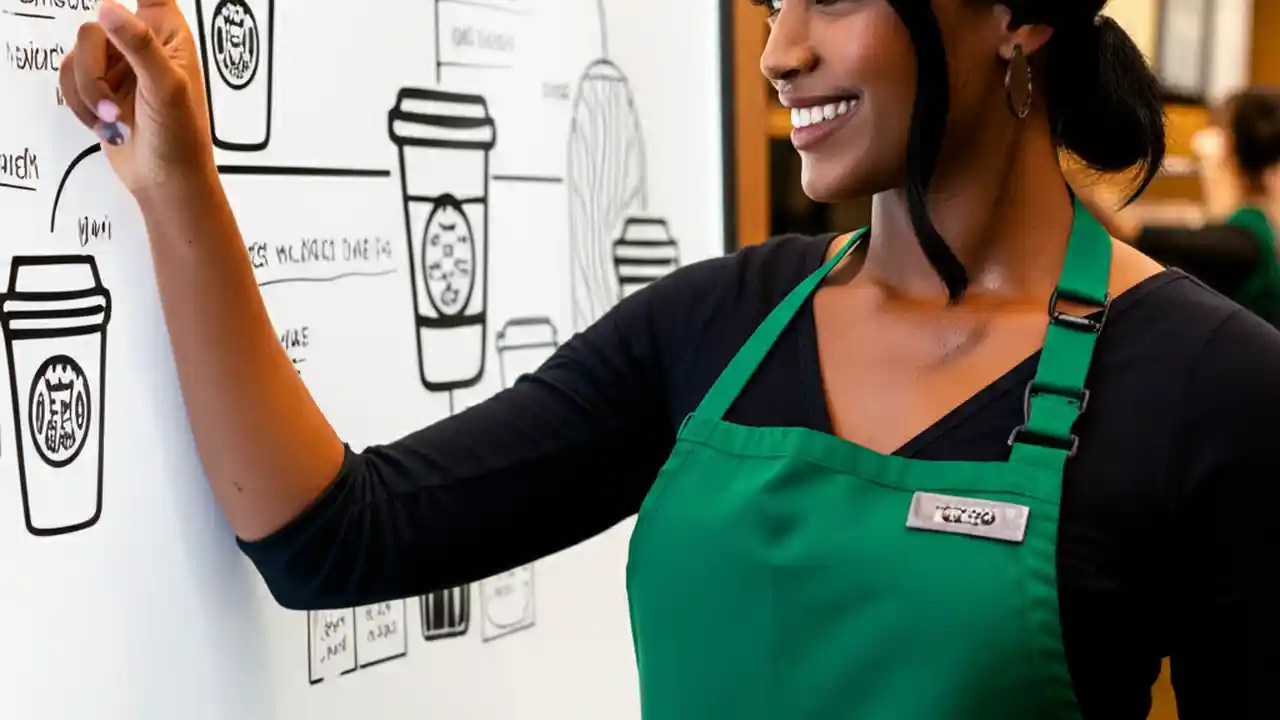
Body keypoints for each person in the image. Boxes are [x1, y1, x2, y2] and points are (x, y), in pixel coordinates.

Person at [61, 0, 1279, 718]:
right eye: (770, 8)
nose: (778, 53)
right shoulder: (709, 329)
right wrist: (179, 184)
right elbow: (331, 536)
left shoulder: (1207, 388)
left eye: (834, 0)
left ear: (1019, 18)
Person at [1077, 88, 1280, 326]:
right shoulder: (1255, 231)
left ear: (1231, 152)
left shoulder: (1241, 242)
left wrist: (1079, 182)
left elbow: (1126, 232)